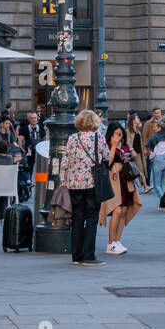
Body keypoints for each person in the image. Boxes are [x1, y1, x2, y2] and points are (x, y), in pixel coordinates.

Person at [61, 109, 111, 265]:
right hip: (92, 183)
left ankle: (76, 256)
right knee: (91, 218)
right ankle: (89, 255)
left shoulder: (72, 138)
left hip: (74, 184)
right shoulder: (98, 138)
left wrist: (64, 181)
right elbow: (107, 156)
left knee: (77, 218)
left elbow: (65, 161)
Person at [100, 119, 142, 255]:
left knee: (124, 210)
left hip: (125, 180)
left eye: (121, 134)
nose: (119, 137)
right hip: (114, 180)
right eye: (117, 134)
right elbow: (108, 163)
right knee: (117, 210)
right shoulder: (107, 145)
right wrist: (113, 145)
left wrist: (127, 156)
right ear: (111, 134)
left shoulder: (124, 145)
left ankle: (117, 241)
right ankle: (110, 243)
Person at [147, 120, 165, 199]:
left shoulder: (155, 137)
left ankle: (163, 202)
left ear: (159, 128)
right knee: (163, 184)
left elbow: (153, 151)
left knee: (157, 184)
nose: (154, 128)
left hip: (158, 159)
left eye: (155, 126)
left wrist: (151, 158)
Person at [126, 113, 147, 187]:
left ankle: (143, 185)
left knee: (140, 168)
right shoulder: (128, 130)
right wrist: (132, 150)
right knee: (140, 168)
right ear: (133, 120)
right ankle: (145, 186)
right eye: (137, 118)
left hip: (139, 152)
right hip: (133, 152)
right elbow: (128, 141)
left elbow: (141, 141)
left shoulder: (138, 130)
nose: (139, 119)